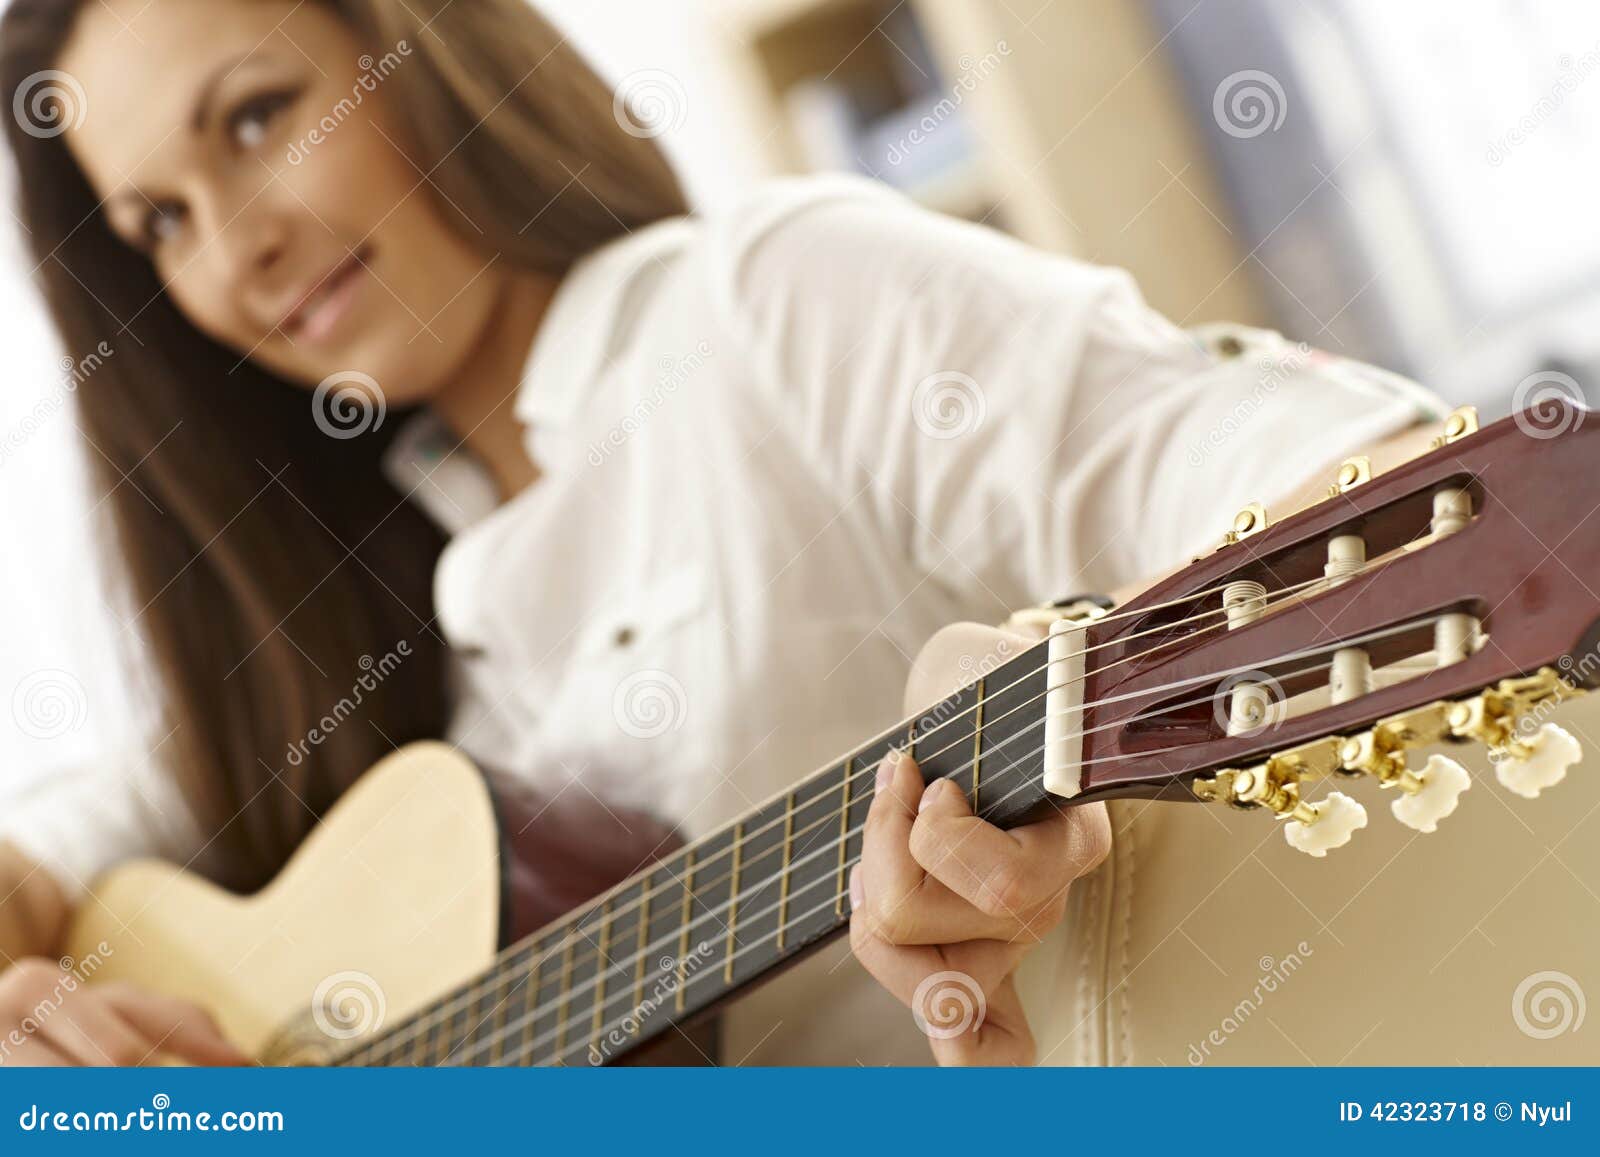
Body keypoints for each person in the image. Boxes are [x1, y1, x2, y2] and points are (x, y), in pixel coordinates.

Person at [0, 0, 1445, 1066]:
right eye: (159, 224)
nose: (233, 248)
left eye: (257, 120)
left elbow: (1349, 478)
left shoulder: (773, 306)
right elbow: (46, 858)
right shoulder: (320, 616)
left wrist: (1059, 719)